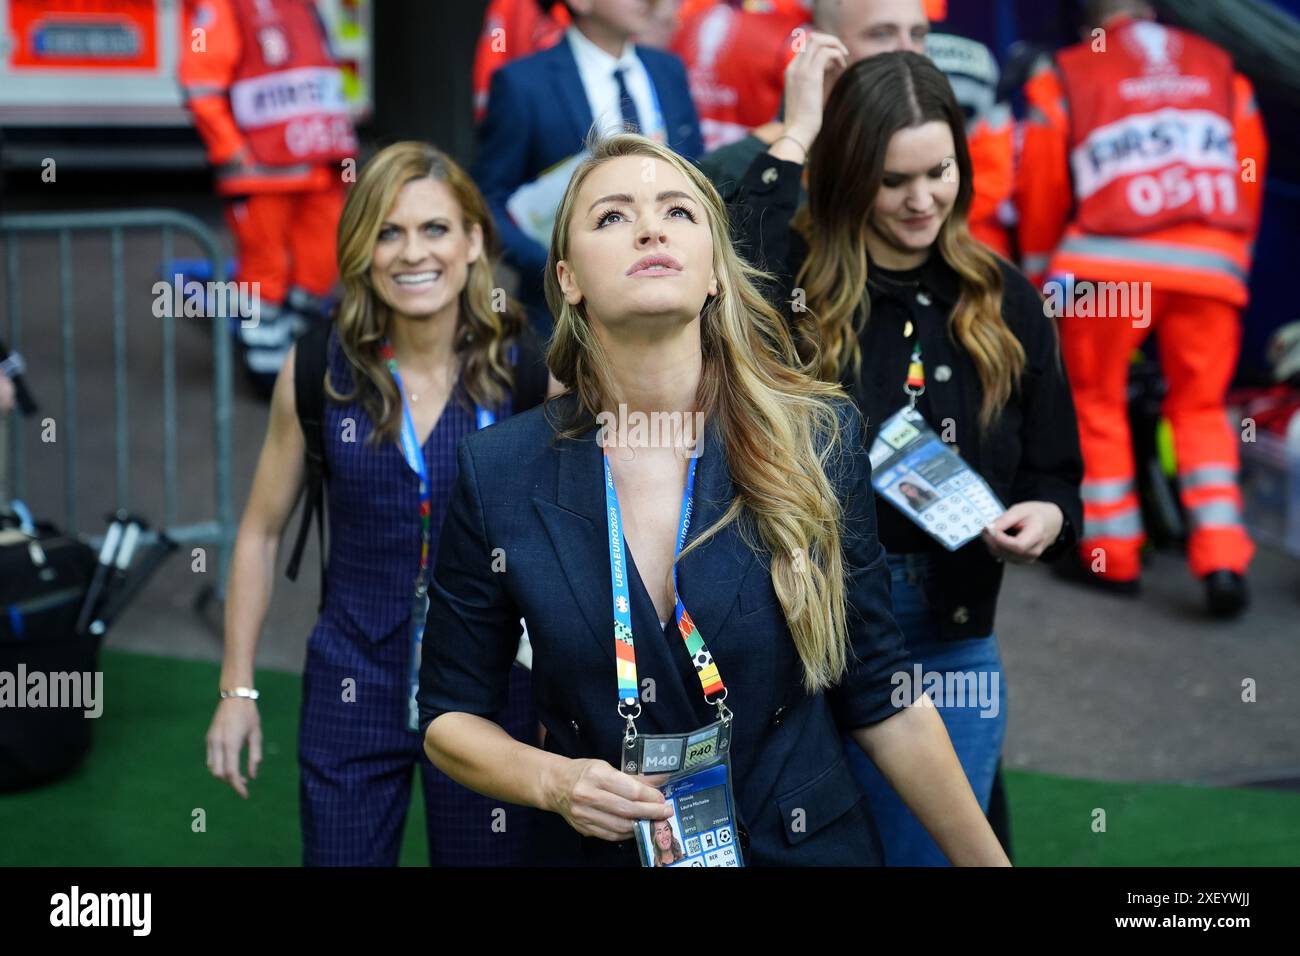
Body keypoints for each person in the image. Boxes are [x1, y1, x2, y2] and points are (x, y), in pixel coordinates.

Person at [417, 131, 1012, 867]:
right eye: (611, 217)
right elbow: (448, 715)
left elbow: (880, 692)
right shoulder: (498, 470)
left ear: (715, 275)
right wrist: (556, 781)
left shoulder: (817, 438)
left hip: (802, 847)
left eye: (677, 211)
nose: (648, 227)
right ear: (567, 279)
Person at [729, 44, 1083, 865]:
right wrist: (800, 128)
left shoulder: (1003, 297)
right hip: (809, 618)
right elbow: (732, 252)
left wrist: (1050, 516)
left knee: (932, 852)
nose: (923, 199)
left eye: (941, 172)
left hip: (954, 623)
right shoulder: (794, 286)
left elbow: (1056, 469)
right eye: (894, 181)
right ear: (850, 174)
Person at [204, 142, 547, 866]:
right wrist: (238, 689)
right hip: (351, 680)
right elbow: (261, 535)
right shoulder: (317, 368)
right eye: (388, 232)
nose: (410, 253)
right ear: (361, 248)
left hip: (489, 686)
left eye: (434, 229)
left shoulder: (524, 367)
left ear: (474, 241)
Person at [1017, 0, 1267, 616]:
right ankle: (1223, 557)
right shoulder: (1219, 66)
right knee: (1202, 406)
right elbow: (1250, 164)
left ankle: (1113, 555)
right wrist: (1232, 252)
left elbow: (1043, 184)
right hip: (1209, 265)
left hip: (1107, 269)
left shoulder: (1068, 70)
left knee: (1097, 402)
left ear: (1086, 20)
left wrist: (1044, 279)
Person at [695, 0, 1011, 259]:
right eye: (881, 34)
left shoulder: (937, 131)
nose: (907, 51)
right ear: (822, 44)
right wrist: (797, 138)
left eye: (917, 34)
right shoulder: (735, 169)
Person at [474, 0, 704, 341]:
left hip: (670, 308)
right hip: (565, 319)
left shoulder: (667, 71)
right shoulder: (522, 84)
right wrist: (561, 268)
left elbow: (699, 179)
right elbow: (487, 203)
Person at [179, 0, 357, 397]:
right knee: (264, 274)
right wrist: (231, 151)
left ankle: (298, 360)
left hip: (319, 166)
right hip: (262, 173)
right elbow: (199, 81)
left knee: (320, 266)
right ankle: (265, 373)